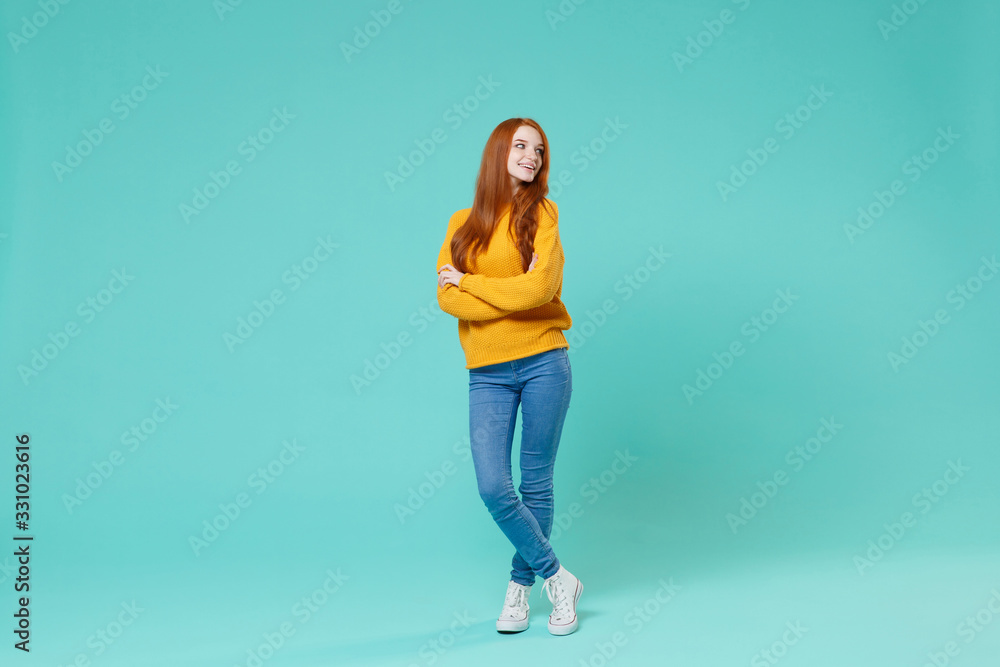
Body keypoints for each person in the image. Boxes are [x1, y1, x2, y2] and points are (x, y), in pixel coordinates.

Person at [436, 118, 582, 636]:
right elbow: (446, 299)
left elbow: (540, 290)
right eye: (521, 146)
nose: (531, 157)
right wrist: (506, 289)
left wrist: (471, 282)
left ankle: (520, 587)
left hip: (544, 360)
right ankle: (558, 577)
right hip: (488, 374)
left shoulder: (544, 213)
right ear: (498, 152)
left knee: (535, 483)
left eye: (539, 150)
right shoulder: (462, 223)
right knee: (494, 487)